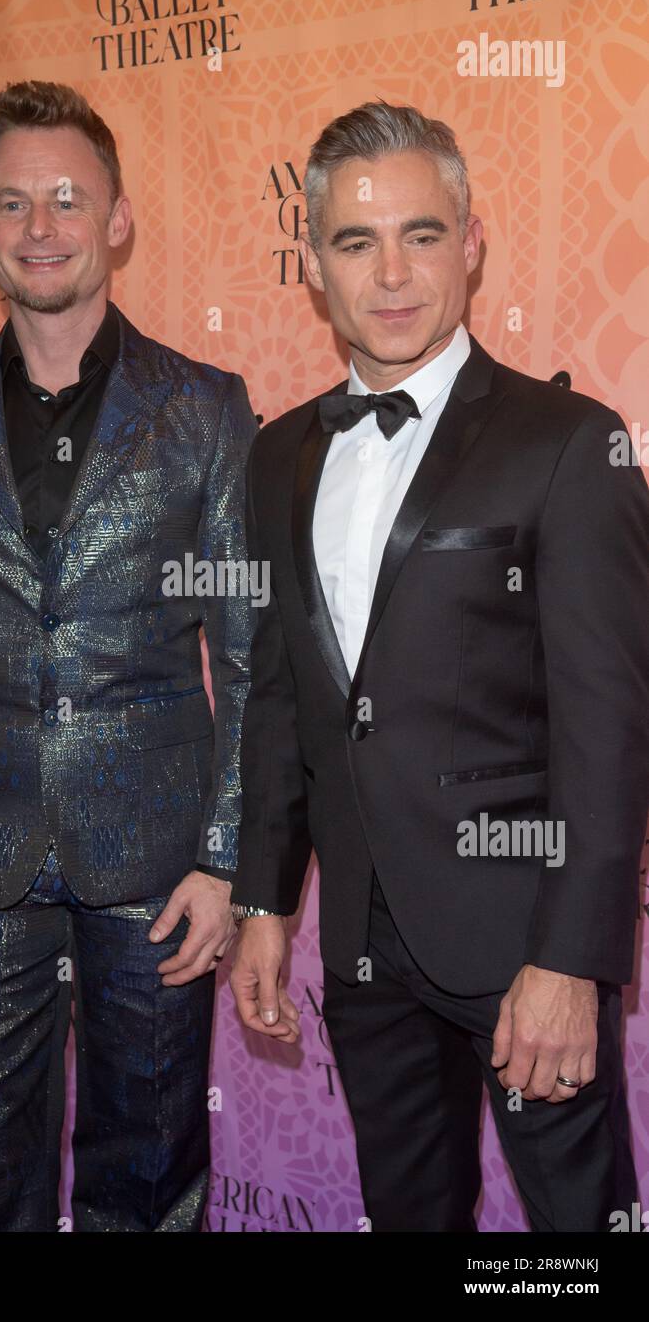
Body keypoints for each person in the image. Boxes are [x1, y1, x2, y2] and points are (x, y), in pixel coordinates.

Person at [229, 101, 649, 1232]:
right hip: (364, 945)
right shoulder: (277, 455)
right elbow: (279, 698)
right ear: (313, 264)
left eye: (421, 233)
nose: (392, 273)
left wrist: (571, 961)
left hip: (522, 945)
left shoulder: (567, 443)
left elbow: (609, 730)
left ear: (469, 242)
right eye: (354, 241)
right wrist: (263, 898)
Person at [0, 79, 258, 1232]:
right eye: (12, 204)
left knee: (148, 1175)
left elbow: (248, 651)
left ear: (117, 219)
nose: (40, 228)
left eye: (67, 200)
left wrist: (225, 858)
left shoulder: (206, 409)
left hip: (157, 869)